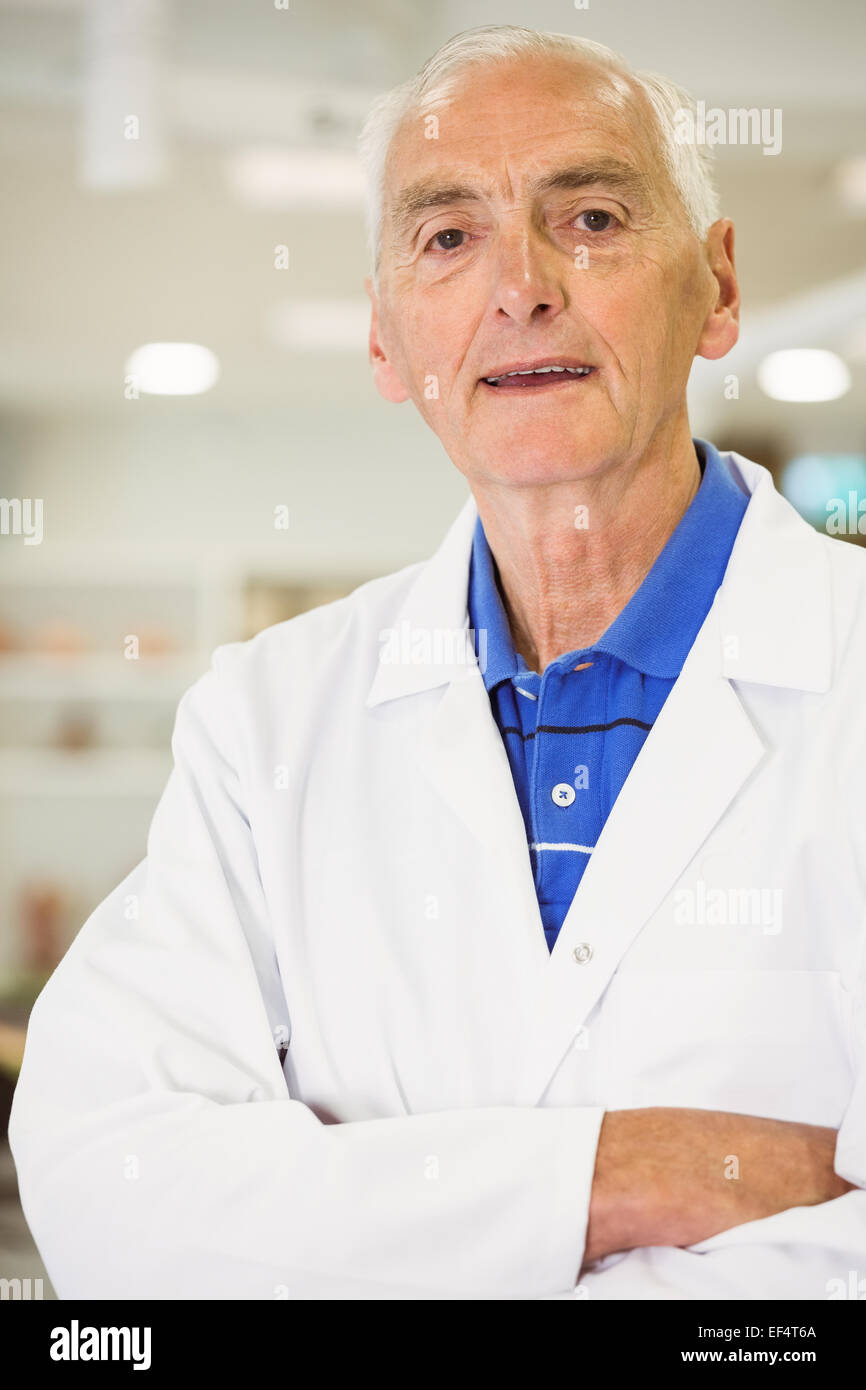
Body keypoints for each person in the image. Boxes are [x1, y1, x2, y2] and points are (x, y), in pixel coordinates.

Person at [9, 25, 866, 1300]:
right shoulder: (267, 722)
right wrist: (615, 1175)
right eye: (446, 237)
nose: (518, 286)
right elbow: (112, 1192)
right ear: (385, 338)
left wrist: (372, 1216)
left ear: (717, 286)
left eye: (586, 215)